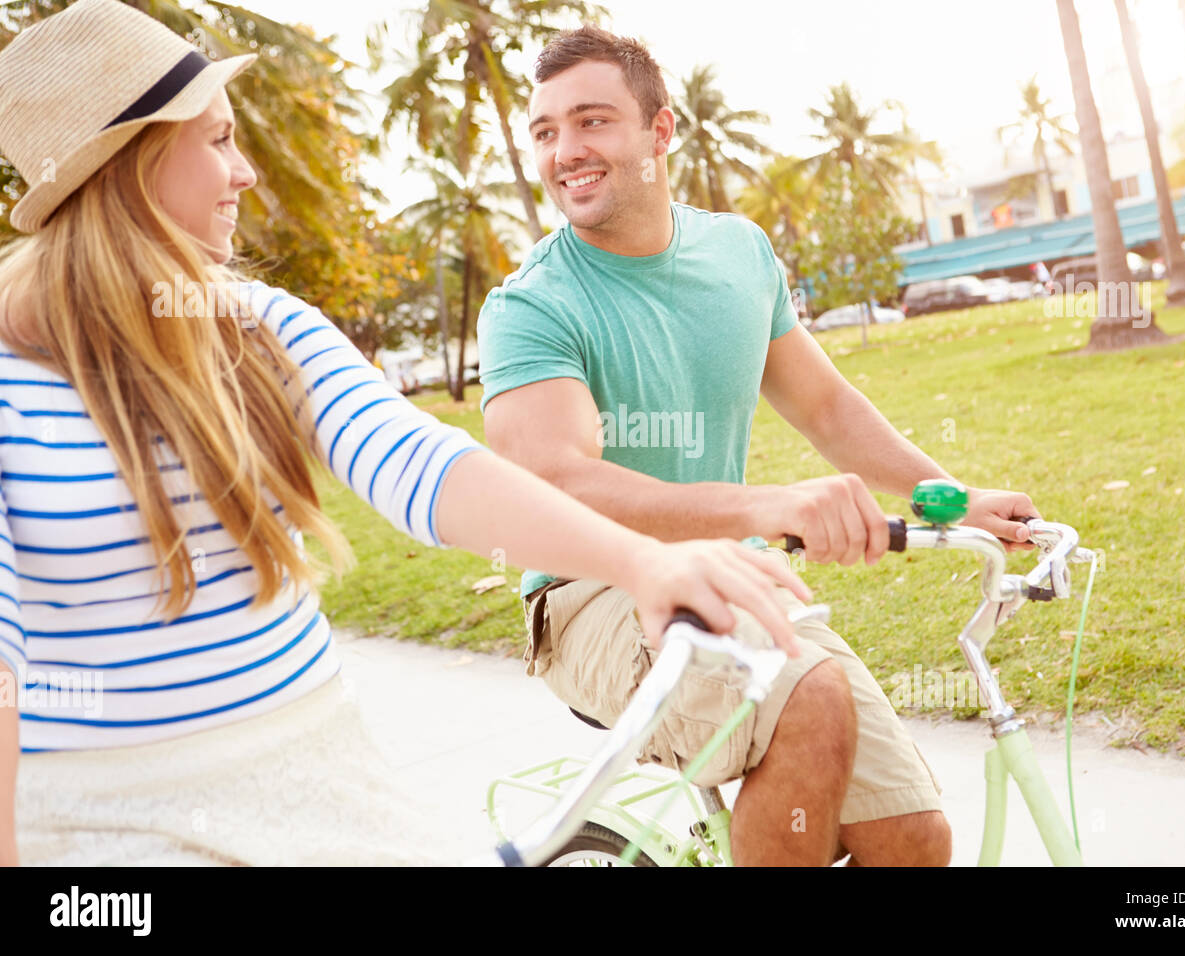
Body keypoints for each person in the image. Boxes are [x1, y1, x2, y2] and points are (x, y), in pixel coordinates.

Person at [0, 0, 810, 866]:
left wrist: (643, 561)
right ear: (134, 160)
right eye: (218, 140)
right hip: (100, 827)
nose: (246, 174)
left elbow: (424, 465)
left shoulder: (260, 326)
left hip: (320, 777)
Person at [477, 25, 1043, 867]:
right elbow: (559, 481)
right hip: (591, 592)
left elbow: (826, 406)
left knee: (912, 840)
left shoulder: (738, 252)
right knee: (809, 700)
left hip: (733, 577)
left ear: (660, 133)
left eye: (592, 122)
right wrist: (768, 505)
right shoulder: (531, 305)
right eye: (547, 131)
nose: (566, 151)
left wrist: (954, 497)